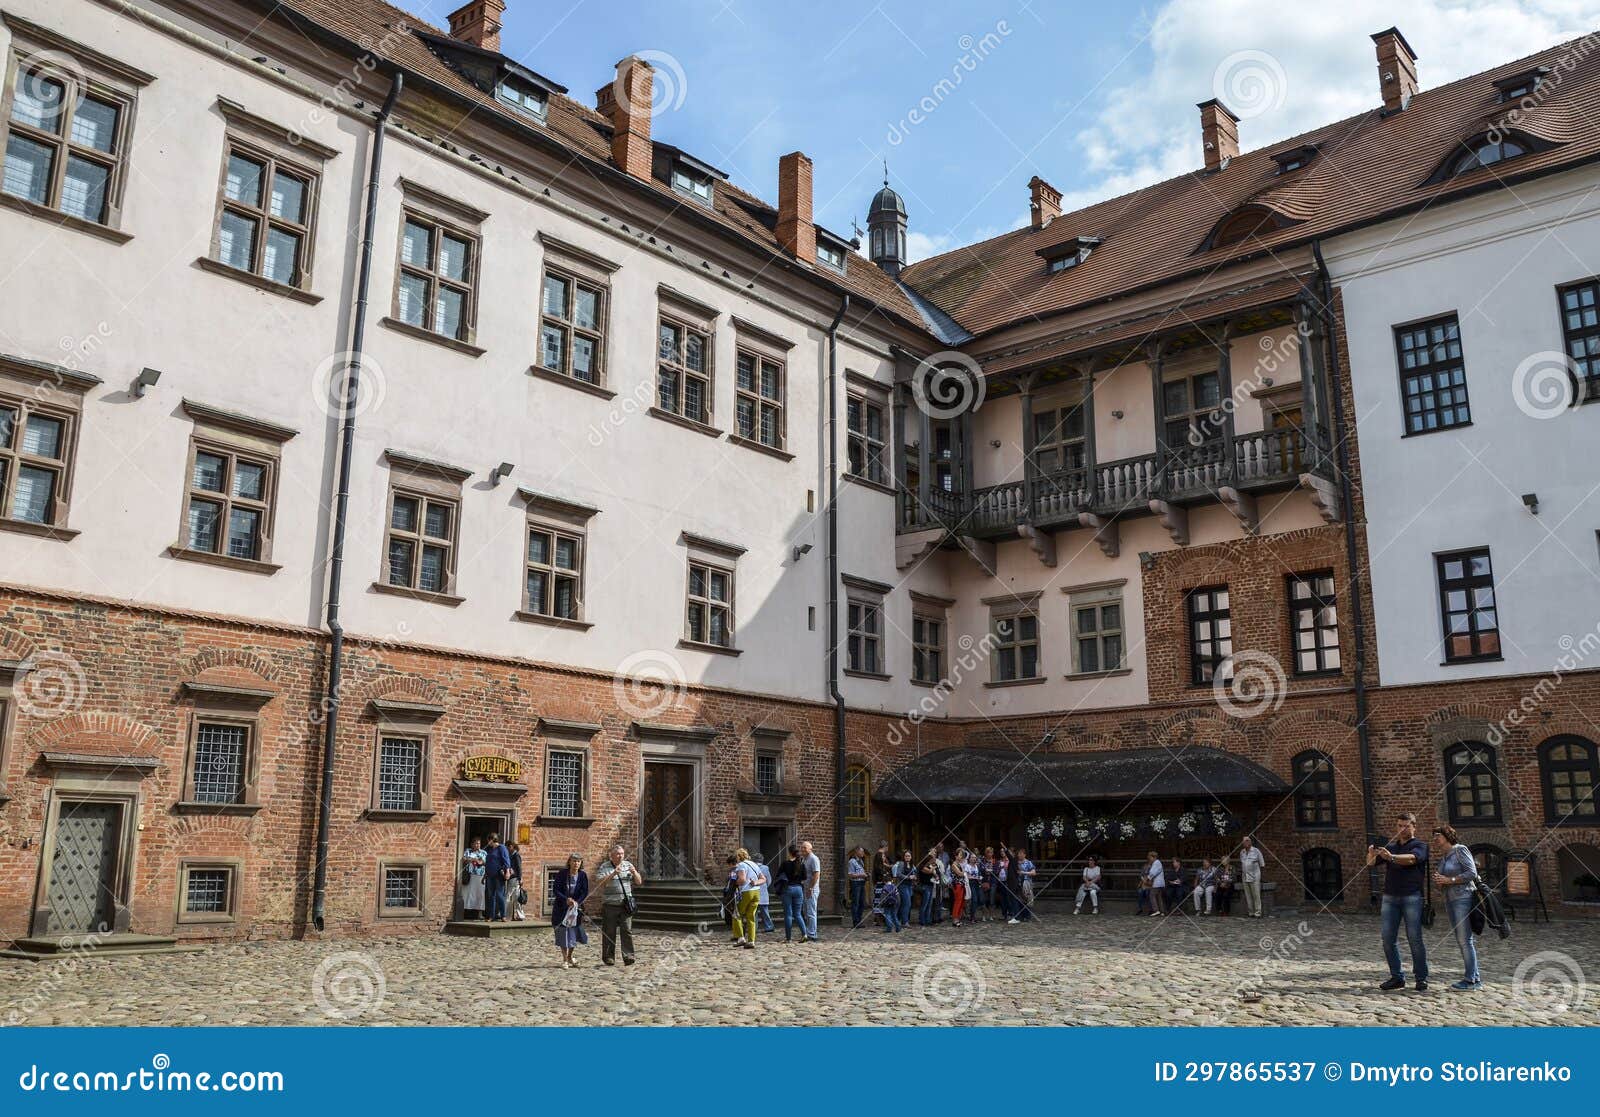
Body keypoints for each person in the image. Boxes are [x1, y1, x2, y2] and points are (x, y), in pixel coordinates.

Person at [1367, 811, 1429, 991]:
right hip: (1390, 898)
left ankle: (1421, 978)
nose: (1402, 829)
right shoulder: (1391, 847)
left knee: (1414, 939)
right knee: (1387, 939)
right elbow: (1370, 864)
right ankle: (1397, 977)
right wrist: (1371, 852)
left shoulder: (1420, 845)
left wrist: (1391, 858)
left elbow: (1412, 859)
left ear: (1414, 827)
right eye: (1399, 826)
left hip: (1412, 897)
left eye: (1406, 826)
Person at [1431, 825, 1482, 991]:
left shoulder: (1460, 850)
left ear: (1447, 836)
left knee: (1465, 940)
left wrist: (1449, 880)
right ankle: (1473, 977)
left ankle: (1471, 981)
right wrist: (1439, 880)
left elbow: (1471, 873)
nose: (1435, 839)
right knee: (1462, 940)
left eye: (1437, 835)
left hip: (1463, 898)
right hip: (1450, 900)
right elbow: (1442, 879)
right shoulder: (1445, 856)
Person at [595, 844, 643, 966]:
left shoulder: (628, 865)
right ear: (611, 856)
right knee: (609, 931)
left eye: (622, 853)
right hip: (610, 904)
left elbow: (638, 882)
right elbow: (600, 883)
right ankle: (609, 957)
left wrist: (635, 872)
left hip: (625, 905)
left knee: (627, 930)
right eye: (618, 854)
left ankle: (628, 956)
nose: (621, 856)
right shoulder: (605, 866)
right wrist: (613, 874)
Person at [551, 853, 589, 968]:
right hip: (562, 907)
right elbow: (556, 889)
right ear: (569, 862)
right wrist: (565, 899)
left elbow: (585, 891)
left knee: (573, 933)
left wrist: (577, 902)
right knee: (562, 933)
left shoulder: (582, 875)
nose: (576, 863)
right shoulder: (562, 874)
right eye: (574, 861)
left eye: (578, 861)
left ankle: (570, 956)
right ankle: (564, 959)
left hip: (575, 909)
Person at [730, 848, 764, 949]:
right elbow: (763, 879)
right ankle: (751, 941)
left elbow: (742, 879)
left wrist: (734, 883)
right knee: (751, 916)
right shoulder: (754, 864)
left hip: (746, 892)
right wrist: (755, 883)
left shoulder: (741, 865)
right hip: (756, 892)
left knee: (736, 914)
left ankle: (741, 938)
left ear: (738, 857)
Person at [776, 844, 808, 943]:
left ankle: (788, 938)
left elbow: (778, 875)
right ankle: (804, 934)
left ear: (789, 853)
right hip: (798, 889)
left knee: (788, 914)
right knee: (798, 914)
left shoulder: (785, 863)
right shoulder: (801, 864)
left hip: (787, 889)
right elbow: (805, 877)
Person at [484, 833, 511, 922]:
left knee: (500, 895)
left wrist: (507, 871)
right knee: (491, 896)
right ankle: (491, 916)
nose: (488, 842)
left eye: (489, 840)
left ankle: (503, 915)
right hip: (490, 875)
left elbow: (506, 860)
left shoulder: (501, 848)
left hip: (498, 876)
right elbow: (487, 862)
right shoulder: (490, 849)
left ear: (492, 840)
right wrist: (485, 875)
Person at [799, 839, 822, 942]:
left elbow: (816, 874)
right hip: (805, 888)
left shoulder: (813, 859)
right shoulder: (804, 859)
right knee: (806, 911)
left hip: (811, 889)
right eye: (802, 847)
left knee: (811, 912)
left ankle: (813, 934)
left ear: (810, 849)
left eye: (805, 847)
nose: (802, 849)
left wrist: (811, 888)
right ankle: (808, 932)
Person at [1238, 836, 1266, 918]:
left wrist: (1260, 877)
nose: (1245, 842)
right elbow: (1242, 864)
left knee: (1256, 895)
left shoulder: (1256, 851)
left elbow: (1262, 864)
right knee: (1248, 895)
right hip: (1245, 877)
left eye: (1247, 841)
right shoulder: (1242, 852)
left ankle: (1258, 912)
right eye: (1244, 841)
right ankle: (1251, 912)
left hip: (1255, 876)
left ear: (1250, 842)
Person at [459, 836, 486, 920]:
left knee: (480, 894)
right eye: (476, 843)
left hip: (480, 875)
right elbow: (464, 859)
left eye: (479, 843)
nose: (478, 845)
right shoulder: (468, 851)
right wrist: (473, 859)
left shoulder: (483, 852)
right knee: (467, 894)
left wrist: (479, 862)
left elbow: (484, 862)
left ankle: (479, 913)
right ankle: (464, 912)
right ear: (472, 844)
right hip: (469, 875)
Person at [1010, 849, 1036, 923]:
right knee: (1019, 900)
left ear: (1025, 855)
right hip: (1017, 884)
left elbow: (1033, 873)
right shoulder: (1016, 863)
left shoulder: (1028, 863)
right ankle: (1020, 916)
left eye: (1021, 854)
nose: (1019, 855)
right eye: (1018, 854)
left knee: (1026, 900)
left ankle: (1027, 916)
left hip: (1026, 883)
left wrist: (1024, 872)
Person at [893, 850, 917, 928]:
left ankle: (899, 920)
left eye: (909, 856)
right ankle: (905, 922)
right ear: (904, 857)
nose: (907, 857)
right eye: (906, 856)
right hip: (902, 886)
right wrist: (908, 877)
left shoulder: (912, 865)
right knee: (907, 903)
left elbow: (914, 873)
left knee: (904, 904)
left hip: (910, 886)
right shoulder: (901, 864)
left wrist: (914, 877)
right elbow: (898, 874)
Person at [1137, 851, 1165, 916]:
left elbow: (1152, 873)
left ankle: (1156, 910)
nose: (1149, 859)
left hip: (1157, 883)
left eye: (1150, 857)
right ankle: (1162, 911)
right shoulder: (1158, 862)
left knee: (1151, 895)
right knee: (1159, 897)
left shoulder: (1156, 863)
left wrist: (1147, 880)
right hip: (1160, 883)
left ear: (1153, 857)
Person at [847, 846, 869, 928]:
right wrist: (861, 875)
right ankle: (855, 922)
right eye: (862, 852)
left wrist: (865, 875)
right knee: (855, 903)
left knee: (862, 903)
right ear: (857, 852)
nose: (863, 853)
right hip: (855, 884)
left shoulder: (861, 861)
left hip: (862, 883)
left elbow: (860, 871)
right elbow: (850, 875)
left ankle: (859, 920)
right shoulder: (852, 862)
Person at [917, 850, 940, 927]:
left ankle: (928, 920)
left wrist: (935, 874)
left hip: (930, 886)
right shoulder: (922, 867)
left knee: (929, 904)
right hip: (925, 886)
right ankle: (922, 920)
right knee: (925, 904)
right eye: (931, 860)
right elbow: (930, 872)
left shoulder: (930, 866)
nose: (932, 861)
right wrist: (933, 868)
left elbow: (936, 875)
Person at [506, 840, 526, 921]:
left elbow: (519, 868)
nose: (507, 849)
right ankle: (518, 915)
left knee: (509, 896)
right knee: (515, 897)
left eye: (508, 847)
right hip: (514, 878)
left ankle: (508, 915)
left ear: (512, 846)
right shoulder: (511, 855)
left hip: (514, 878)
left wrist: (520, 878)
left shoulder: (516, 855)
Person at [950, 850, 969, 926]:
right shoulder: (954, 864)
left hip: (962, 884)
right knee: (957, 902)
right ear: (956, 856)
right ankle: (955, 919)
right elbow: (960, 874)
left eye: (962, 855)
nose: (962, 857)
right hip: (957, 885)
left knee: (962, 902)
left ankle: (958, 918)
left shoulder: (960, 864)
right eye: (960, 855)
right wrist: (965, 871)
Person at [756, 858, 775, 933]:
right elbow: (769, 880)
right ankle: (769, 926)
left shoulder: (752, 866)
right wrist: (765, 886)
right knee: (765, 912)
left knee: (754, 912)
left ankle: (754, 928)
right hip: (763, 892)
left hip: (753, 891)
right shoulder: (765, 868)